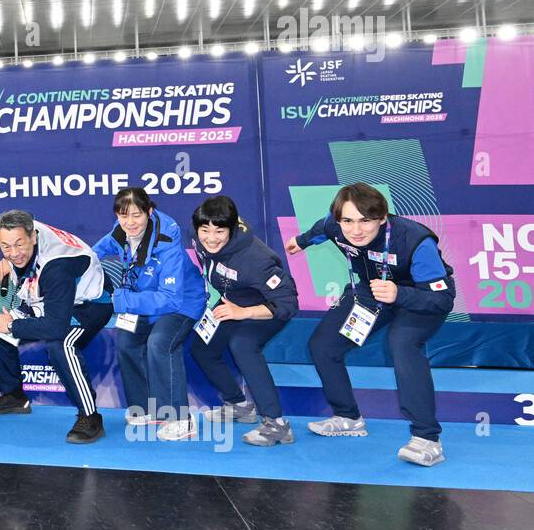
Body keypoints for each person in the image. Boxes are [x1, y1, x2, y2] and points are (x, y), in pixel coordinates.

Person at [286, 183, 456, 467]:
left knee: (402, 344)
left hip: (419, 296)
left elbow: (442, 299)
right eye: (348, 221)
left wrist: (400, 294)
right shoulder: (335, 226)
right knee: (323, 346)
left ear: (381, 218)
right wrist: (302, 241)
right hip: (370, 291)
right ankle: (348, 417)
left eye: (365, 221)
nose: (356, 230)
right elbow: (322, 227)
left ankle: (427, 439)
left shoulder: (415, 240)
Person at [0, 211, 114, 443]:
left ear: (33, 236)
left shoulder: (57, 265)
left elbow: (55, 327)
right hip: (53, 299)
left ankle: (90, 417)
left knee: (60, 344)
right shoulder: (24, 230)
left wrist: (12, 325)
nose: (14, 253)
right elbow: (20, 256)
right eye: (6, 247)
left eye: (19, 245)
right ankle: (14, 396)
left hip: (90, 304)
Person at [92, 188, 206, 441]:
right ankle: (147, 409)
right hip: (144, 300)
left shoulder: (168, 239)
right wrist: (75, 265)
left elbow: (170, 298)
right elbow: (93, 253)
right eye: (124, 215)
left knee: (160, 343)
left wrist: (122, 299)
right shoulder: (120, 229)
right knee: (125, 341)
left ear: (149, 211)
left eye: (137, 215)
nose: (130, 222)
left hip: (181, 302)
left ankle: (180, 419)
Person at [189, 196, 299, 447]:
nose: (211, 238)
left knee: (243, 344)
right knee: (201, 347)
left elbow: (288, 303)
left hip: (265, 308)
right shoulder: (199, 238)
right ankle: (239, 405)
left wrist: (245, 312)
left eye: (219, 231)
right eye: (205, 230)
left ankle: (277, 425)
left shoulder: (256, 259)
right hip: (232, 301)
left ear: (232, 229)